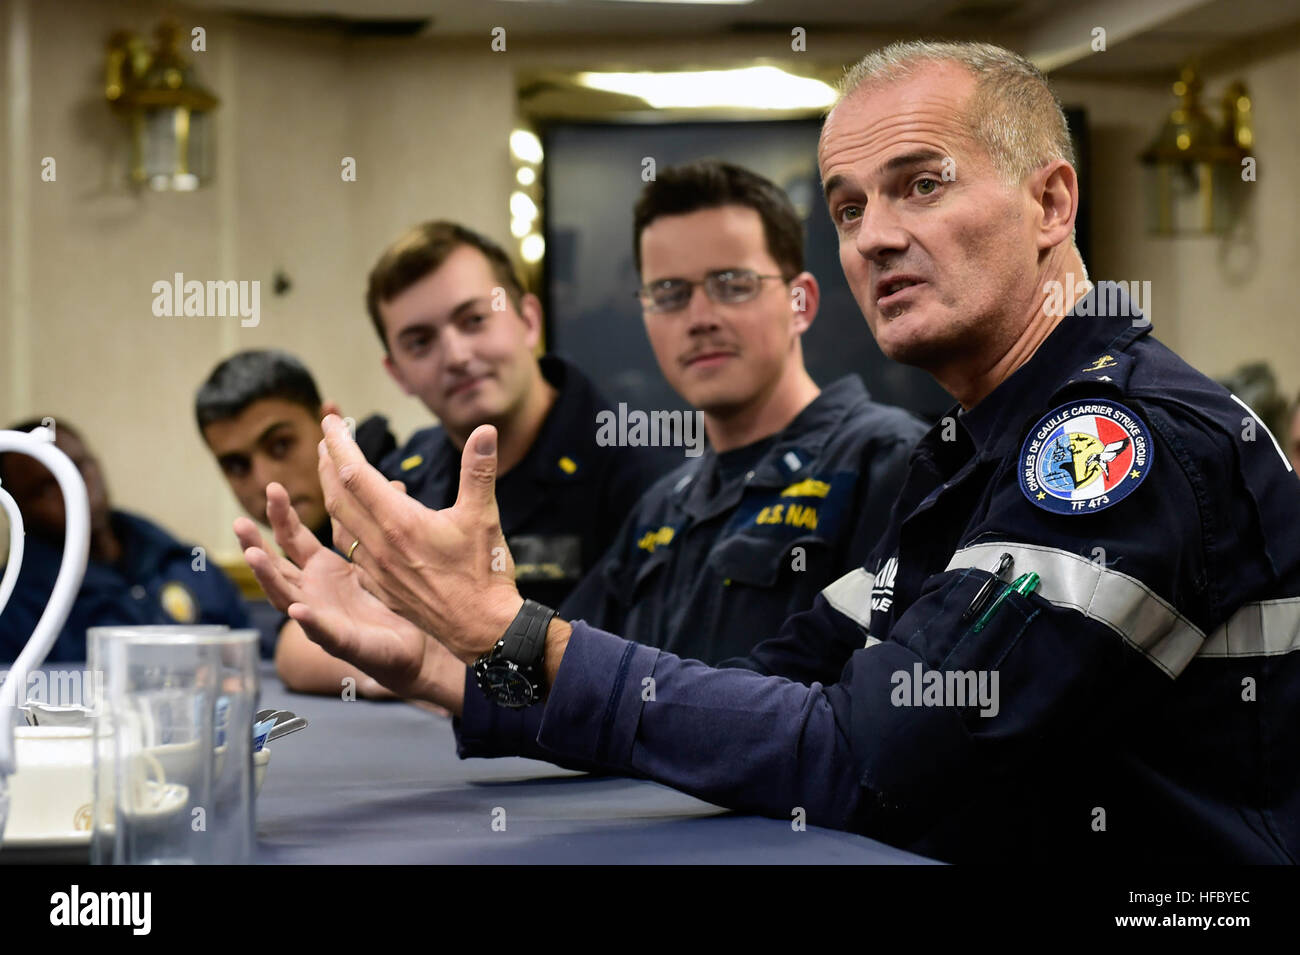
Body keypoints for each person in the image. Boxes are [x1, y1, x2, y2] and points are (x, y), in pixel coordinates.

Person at [240, 41, 1300, 863]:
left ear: (1049, 202)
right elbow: (771, 676)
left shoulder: (1113, 445)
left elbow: (866, 754)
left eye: (920, 184)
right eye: (848, 207)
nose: (874, 235)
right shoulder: (973, 450)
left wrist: (506, 631)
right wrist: (444, 662)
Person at [455, 161, 926, 758]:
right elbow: (564, 676)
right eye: (669, 294)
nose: (700, 318)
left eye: (732, 283)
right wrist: (420, 652)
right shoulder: (665, 503)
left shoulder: (887, 464)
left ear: (801, 303)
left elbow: (879, 733)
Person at [260, 221, 665, 697]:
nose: (455, 355)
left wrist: (434, 670)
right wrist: (395, 673)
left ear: (530, 321)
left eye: (474, 320)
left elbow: (639, 671)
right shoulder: (406, 475)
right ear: (398, 373)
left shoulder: (640, 462)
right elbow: (300, 643)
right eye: (419, 342)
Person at [195, 349, 395, 682]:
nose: (265, 481)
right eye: (236, 466)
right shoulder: (310, 537)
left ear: (331, 424)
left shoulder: (408, 493)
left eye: (280, 445)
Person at [0, 419, 249, 663]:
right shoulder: (12, 603)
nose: (72, 486)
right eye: (45, 487)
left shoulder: (186, 562)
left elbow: (252, 658)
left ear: (96, 465)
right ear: (16, 505)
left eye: (77, 467)